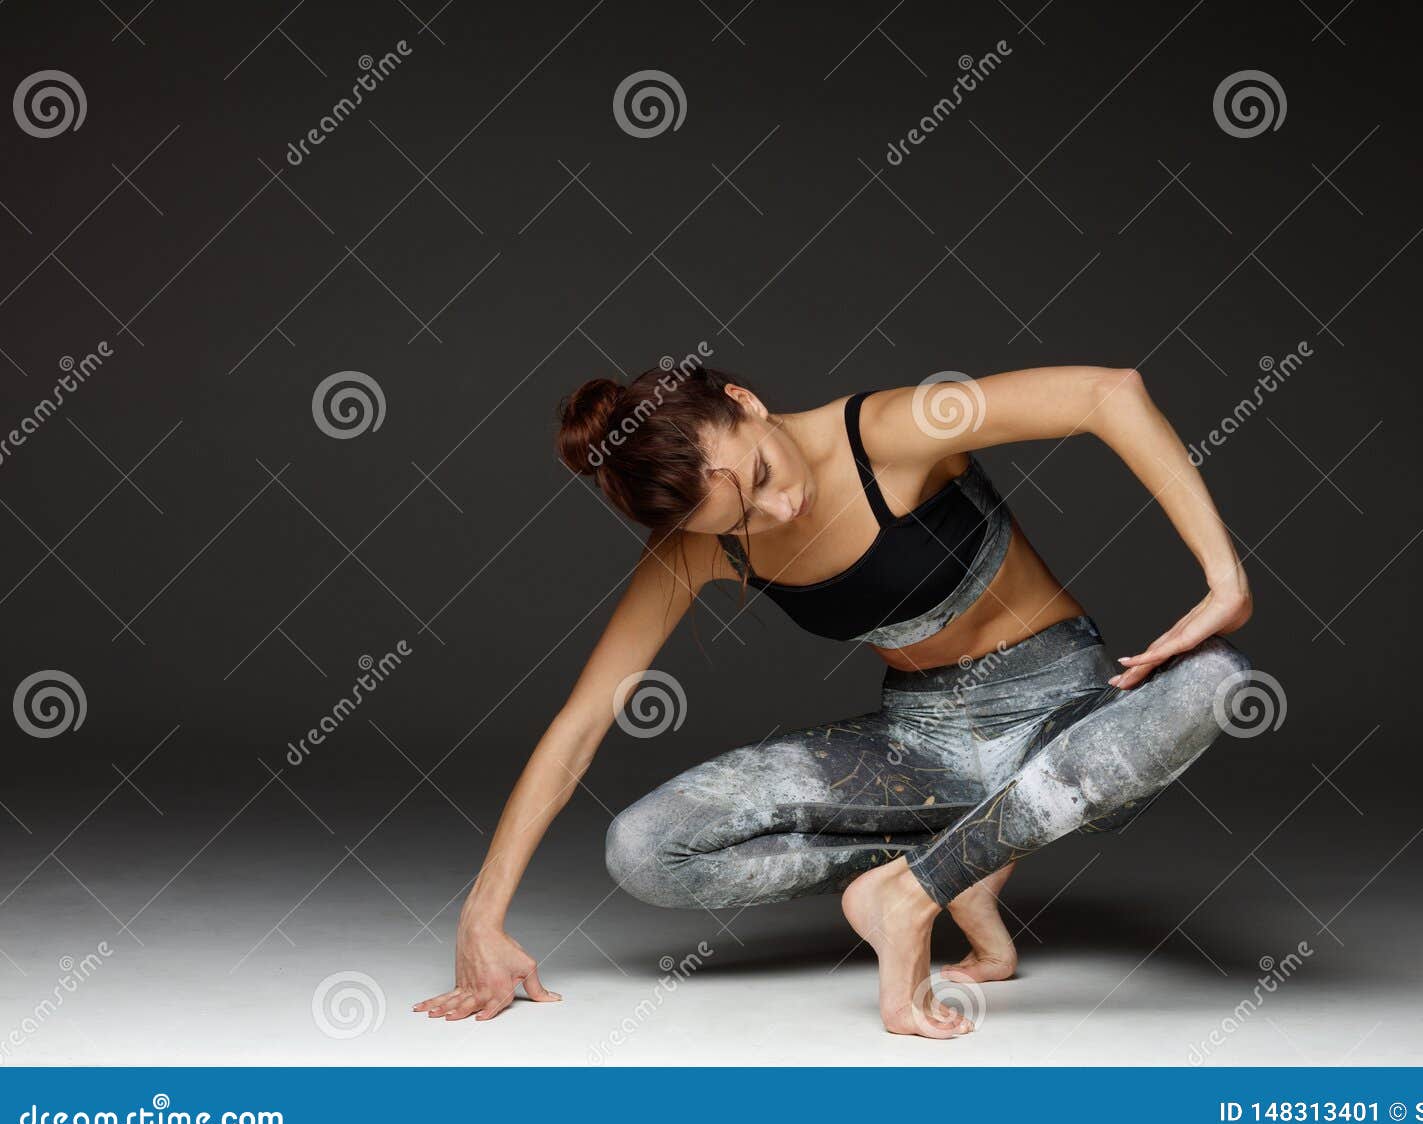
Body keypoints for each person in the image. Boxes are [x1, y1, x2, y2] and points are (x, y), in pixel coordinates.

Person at [412, 362, 1253, 1038]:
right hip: (922, 744)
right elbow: (582, 721)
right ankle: (962, 862)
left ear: (747, 402)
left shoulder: (888, 433)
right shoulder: (699, 553)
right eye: (736, 522)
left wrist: (1225, 580)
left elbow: (1110, 392)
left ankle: (914, 890)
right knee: (643, 849)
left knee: (1216, 682)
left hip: (1067, 718)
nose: (779, 508)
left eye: (764, 473)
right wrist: (481, 916)